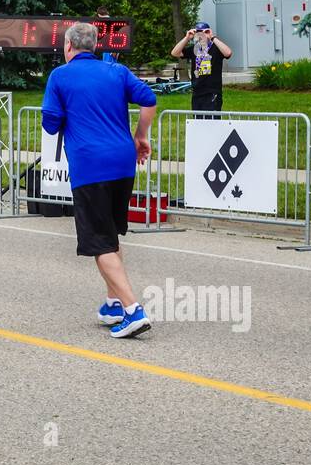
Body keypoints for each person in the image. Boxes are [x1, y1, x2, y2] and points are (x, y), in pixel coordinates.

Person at [42, 21, 158, 340]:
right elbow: (149, 100)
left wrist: (67, 113)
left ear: (68, 46)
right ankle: (113, 303)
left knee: (98, 242)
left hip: (90, 164)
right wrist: (141, 135)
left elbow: (50, 124)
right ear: (93, 46)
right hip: (123, 162)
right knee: (111, 235)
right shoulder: (116, 71)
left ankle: (134, 310)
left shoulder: (60, 76)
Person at [170, 21, 233, 113]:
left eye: (204, 32)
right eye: (198, 32)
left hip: (212, 91)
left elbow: (228, 53)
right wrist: (187, 38)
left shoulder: (216, 48)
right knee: (197, 121)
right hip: (197, 91)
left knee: (212, 121)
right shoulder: (194, 48)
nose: (201, 35)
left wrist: (212, 37)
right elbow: (175, 53)